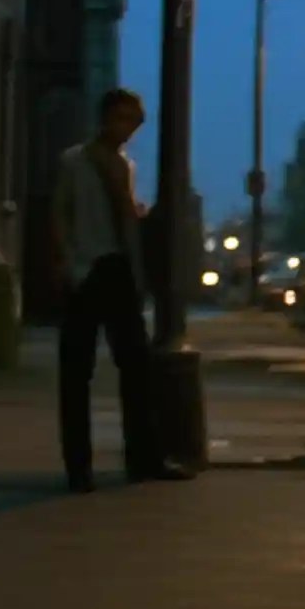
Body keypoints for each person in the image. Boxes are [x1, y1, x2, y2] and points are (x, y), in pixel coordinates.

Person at [51, 88, 192, 493]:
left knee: (136, 367)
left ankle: (143, 457)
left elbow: (126, 222)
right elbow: (61, 212)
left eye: (133, 122)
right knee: (77, 372)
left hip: (118, 270)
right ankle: (78, 467)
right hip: (87, 269)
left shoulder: (124, 165)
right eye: (122, 119)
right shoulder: (76, 161)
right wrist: (64, 260)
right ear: (105, 117)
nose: (127, 129)